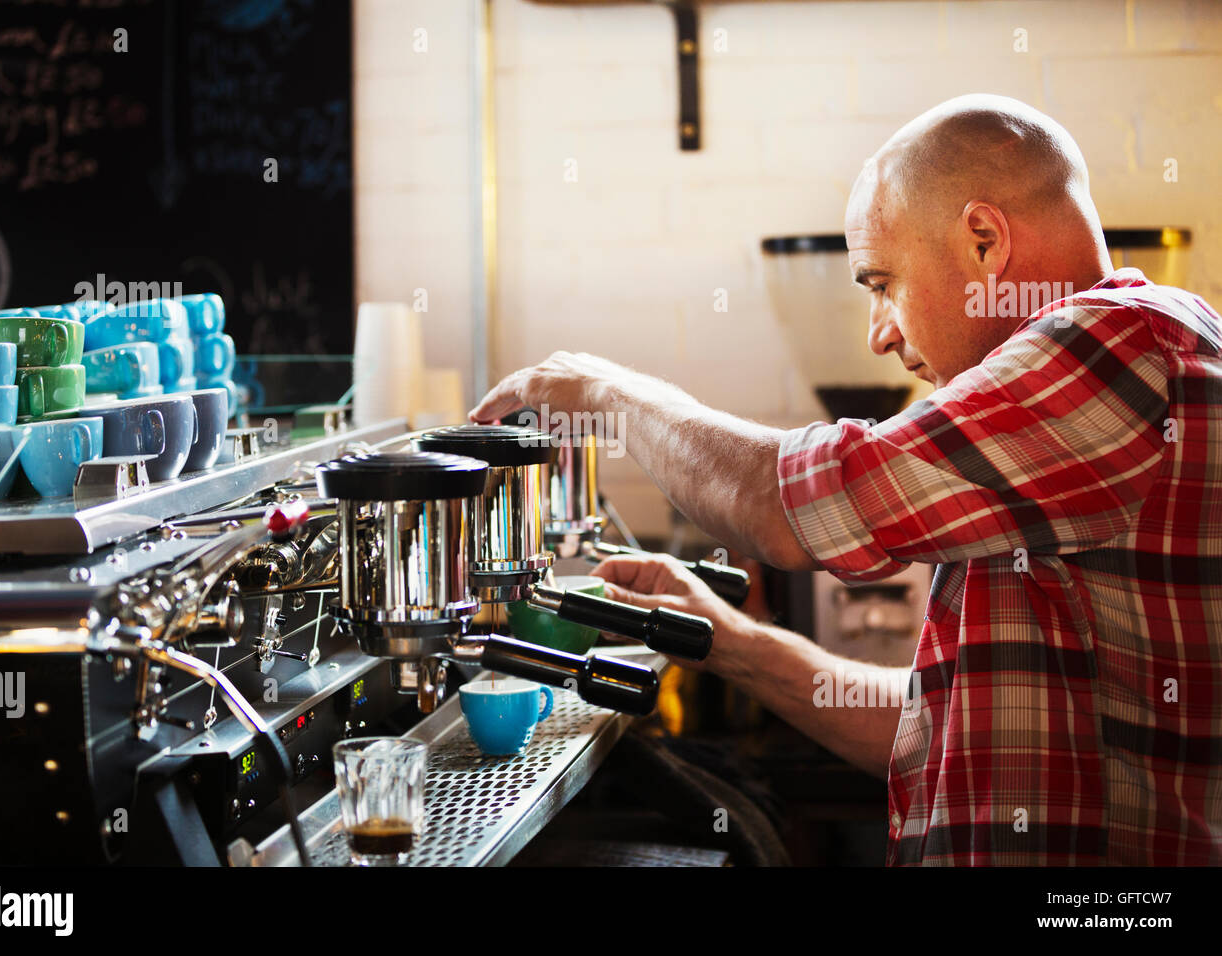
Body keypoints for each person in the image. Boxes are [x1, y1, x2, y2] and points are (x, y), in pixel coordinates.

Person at [469, 94, 1222, 866]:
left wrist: (603, 390)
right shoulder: (1065, 405)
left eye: (881, 282)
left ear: (986, 240)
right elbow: (935, 723)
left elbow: (780, 504)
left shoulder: (1120, 346)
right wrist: (730, 644)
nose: (879, 334)